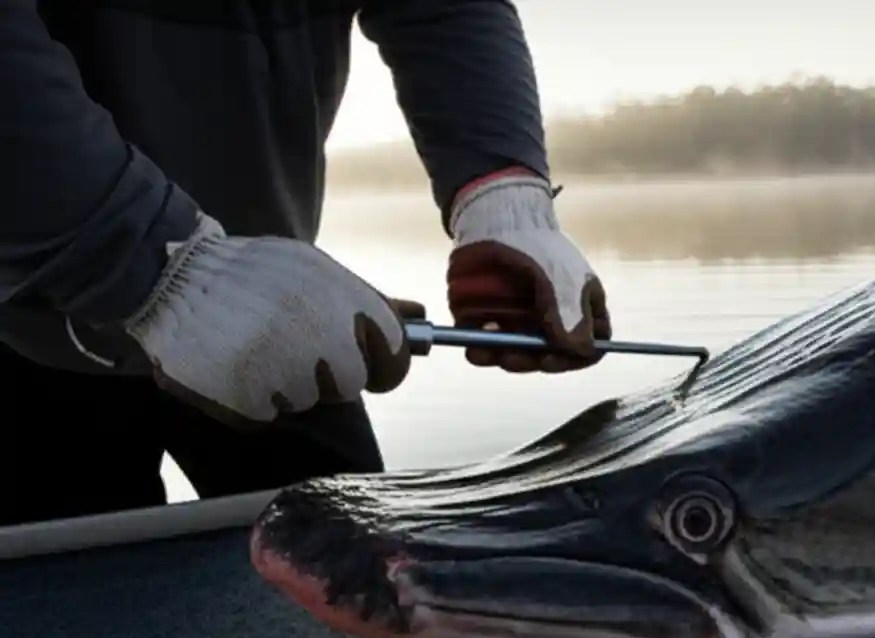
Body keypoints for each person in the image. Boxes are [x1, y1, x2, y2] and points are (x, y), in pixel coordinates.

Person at [0, 0, 611, 526]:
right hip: (27, 314)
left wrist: (504, 196)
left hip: (287, 309)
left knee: (359, 589)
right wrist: (153, 265)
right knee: (57, 629)